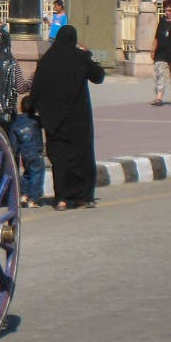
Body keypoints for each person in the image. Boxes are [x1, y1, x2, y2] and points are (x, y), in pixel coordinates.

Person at [30, 25, 104, 211]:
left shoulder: (47, 59)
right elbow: (98, 76)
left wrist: (31, 107)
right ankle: (83, 198)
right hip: (78, 120)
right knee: (82, 157)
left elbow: (36, 88)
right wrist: (89, 54)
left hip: (54, 120)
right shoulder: (81, 57)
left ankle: (62, 199)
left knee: (60, 159)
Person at [9, 96, 44, 208]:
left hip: (24, 153)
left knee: (27, 173)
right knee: (37, 174)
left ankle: (24, 194)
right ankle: (34, 199)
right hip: (36, 152)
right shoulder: (36, 120)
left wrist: (15, 152)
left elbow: (13, 142)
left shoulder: (16, 123)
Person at [150, 0, 171, 106]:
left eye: (169, 10)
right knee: (160, 74)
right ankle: (159, 98)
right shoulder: (162, 21)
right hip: (161, 53)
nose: (167, 12)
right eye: (166, 10)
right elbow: (156, 37)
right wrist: (153, 50)